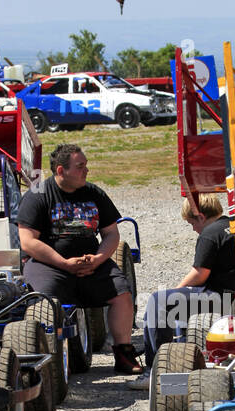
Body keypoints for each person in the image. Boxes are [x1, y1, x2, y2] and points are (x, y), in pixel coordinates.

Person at [16, 143, 142, 375]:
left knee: (122, 293)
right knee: (43, 301)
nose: (86, 170)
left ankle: (123, 353)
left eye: (86, 165)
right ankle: (50, 366)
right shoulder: (37, 194)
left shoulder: (93, 193)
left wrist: (97, 259)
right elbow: (28, 242)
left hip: (90, 262)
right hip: (48, 264)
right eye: (80, 166)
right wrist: (64, 264)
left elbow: (112, 233)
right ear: (61, 170)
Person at [132, 194, 235, 389]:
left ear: (200, 216)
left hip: (219, 297)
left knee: (159, 301)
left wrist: (176, 290)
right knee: (179, 306)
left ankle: (154, 370)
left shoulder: (210, 234)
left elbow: (199, 274)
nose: (194, 229)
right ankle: (184, 356)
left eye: (192, 223)